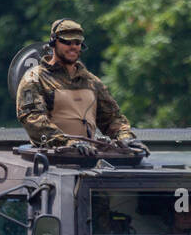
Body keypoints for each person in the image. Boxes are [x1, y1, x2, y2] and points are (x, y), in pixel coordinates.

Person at [15, 19, 147, 154]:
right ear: (53, 43)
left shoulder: (91, 81)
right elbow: (32, 118)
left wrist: (125, 138)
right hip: (51, 157)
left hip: (88, 156)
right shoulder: (35, 79)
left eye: (77, 42)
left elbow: (112, 117)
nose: (73, 46)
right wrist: (66, 142)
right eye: (67, 42)